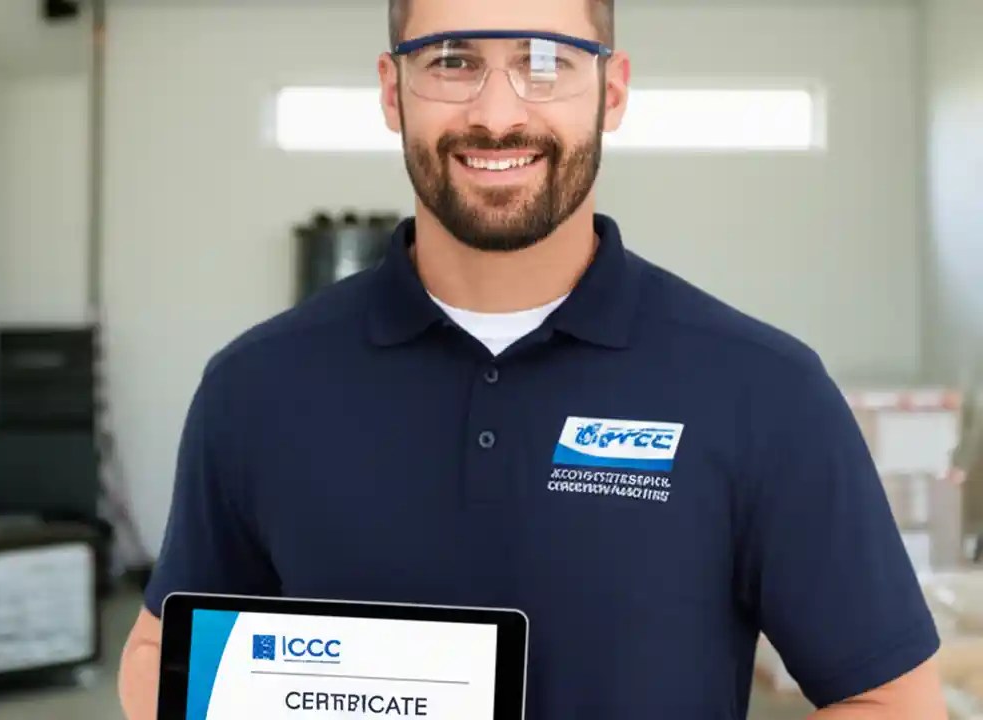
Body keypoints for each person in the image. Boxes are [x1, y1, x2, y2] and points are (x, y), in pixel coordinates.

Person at [119, 0, 949, 716]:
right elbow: (162, 657)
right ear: (390, 90)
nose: (497, 112)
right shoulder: (257, 388)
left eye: (544, 62)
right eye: (451, 60)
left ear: (612, 91)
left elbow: (893, 700)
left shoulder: (764, 391)